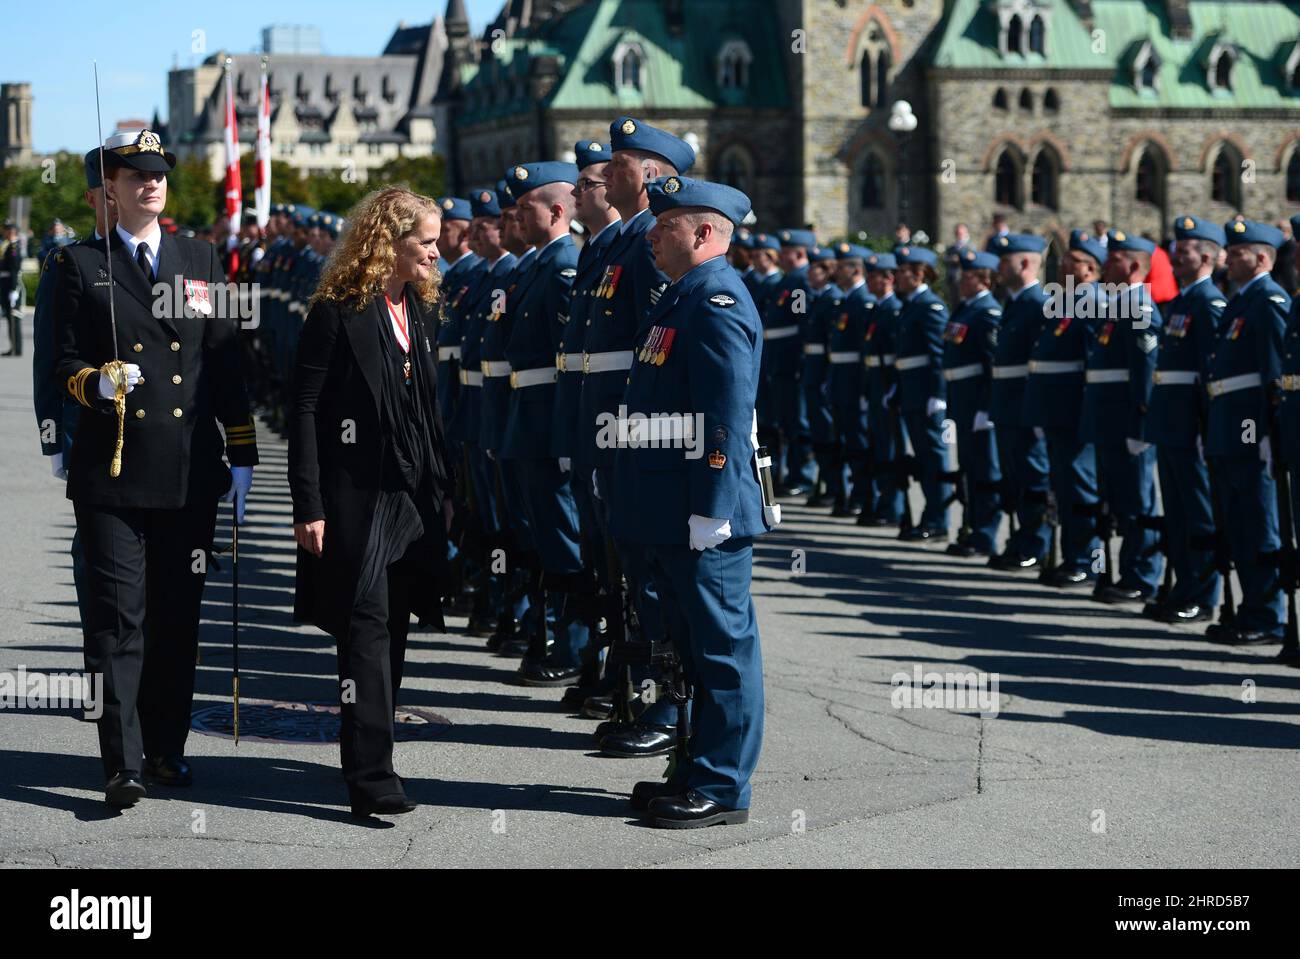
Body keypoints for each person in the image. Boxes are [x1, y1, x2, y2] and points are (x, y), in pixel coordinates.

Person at [52, 129, 258, 807]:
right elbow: (61, 363)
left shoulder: (200, 259)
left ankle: (166, 746)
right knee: (118, 618)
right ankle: (122, 760)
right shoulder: (79, 263)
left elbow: (227, 362)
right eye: (134, 172)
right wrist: (95, 384)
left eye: (158, 171)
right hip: (113, 472)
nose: (150, 181)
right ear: (107, 187)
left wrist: (243, 454)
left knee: (177, 615)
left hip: (188, 470)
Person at [289, 188, 455, 818]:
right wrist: (309, 504)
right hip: (356, 500)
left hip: (413, 499)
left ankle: (372, 749)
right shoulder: (336, 312)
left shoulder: (423, 310)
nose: (437, 254)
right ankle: (370, 775)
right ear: (390, 242)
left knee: (394, 633)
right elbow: (304, 408)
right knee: (362, 633)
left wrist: (445, 490)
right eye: (427, 242)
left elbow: (430, 410)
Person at [612, 174, 768, 827]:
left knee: (722, 650)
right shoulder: (683, 295)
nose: (651, 233)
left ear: (702, 233)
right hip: (669, 507)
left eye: (665, 223)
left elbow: (724, 415)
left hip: (703, 512)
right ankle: (694, 763)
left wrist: (713, 504)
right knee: (691, 649)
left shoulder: (717, 300)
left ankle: (724, 784)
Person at [498, 161, 594, 687]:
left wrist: (565, 434)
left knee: (563, 539)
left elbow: (568, 362)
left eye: (526, 207)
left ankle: (573, 644)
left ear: (556, 211)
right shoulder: (537, 265)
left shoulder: (563, 267)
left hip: (547, 422)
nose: (516, 215)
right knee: (537, 535)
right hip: (525, 418)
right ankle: (551, 633)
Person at [33, 148, 114, 628]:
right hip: (89, 431)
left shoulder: (171, 262)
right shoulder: (67, 263)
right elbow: (49, 360)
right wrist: (53, 442)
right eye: (108, 193)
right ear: (92, 198)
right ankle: (103, 679)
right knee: (95, 562)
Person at [1204, 219, 1289, 648]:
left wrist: (1265, 434)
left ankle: (1267, 615)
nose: (1227, 258)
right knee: (1238, 522)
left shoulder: (1268, 300)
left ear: (1260, 258)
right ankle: (1250, 608)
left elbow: (1273, 374)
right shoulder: (1239, 301)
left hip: (1249, 424)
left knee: (1258, 520)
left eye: (1236, 253)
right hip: (1229, 422)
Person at [1143, 216, 1226, 622]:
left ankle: (1204, 593)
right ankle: (1182, 586)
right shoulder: (1180, 302)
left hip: (1191, 425)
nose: (1176, 254)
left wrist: (1205, 426)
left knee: (1198, 512)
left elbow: (1211, 372)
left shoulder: (1209, 303)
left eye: (1186, 249)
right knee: (1176, 510)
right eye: (1176, 248)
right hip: (1171, 423)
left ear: (1207, 256)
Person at [1084, 230, 1162, 605]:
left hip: (1129, 424)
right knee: (1119, 503)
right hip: (1109, 421)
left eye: (1112, 260)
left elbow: (1145, 372)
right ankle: (1126, 571)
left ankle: (1142, 576)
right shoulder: (1115, 308)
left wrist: (1141, 426)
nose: (1104, 266)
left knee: (1138, 503)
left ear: (1132, 267)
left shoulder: (1140, 308)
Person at [1024, 229, 1102, 587]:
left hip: (1075, 412)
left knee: (1081, 488)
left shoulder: (1094, 302)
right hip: (1056, 412)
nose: (1061, 266)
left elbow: (1091, 364)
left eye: (1069, 261)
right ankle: (1073, 556)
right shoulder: (1067, 303)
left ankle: (1089, 561)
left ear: (1089, 269)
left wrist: (1088, 414)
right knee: (1063, 487)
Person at [988, 233, 1052, 569]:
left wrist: (1038, 413)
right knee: (1016, 477)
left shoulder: (1038, 304)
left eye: (1004, 261)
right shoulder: (1014, 303)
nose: (998, 268)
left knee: (1033, 478)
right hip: (1009, 406)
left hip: (1025, 408)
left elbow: (1038, 365)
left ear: (1025, 263)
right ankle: (1023, 539)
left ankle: (1035, 544)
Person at [942, 249, 1003, 557]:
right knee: (968, 469)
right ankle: (970, 527)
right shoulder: (964, 309)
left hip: (977, 403)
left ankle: (986, 534)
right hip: (961, 401)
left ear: (983, 280)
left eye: (966, 277)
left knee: (985, 471)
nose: (959, 281)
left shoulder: (987, 313)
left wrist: (986, 407)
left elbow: (992, 364)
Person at [891, 244, 951, 540]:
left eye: (902, 272)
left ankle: (938, 520)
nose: (896, 277)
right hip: (912, 393)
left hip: (926, 395)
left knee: (934, 458)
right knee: (923, 458)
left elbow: (938, 355)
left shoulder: (931, 306)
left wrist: (937, 394)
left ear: (918, 275)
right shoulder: (912, 305)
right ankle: (930, 516)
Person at [860, 251, 905, 525]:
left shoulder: (893, 308)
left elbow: (897, 355)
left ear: (889, 278)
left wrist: (894, 387)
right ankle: (882, 501)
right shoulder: (877, 308)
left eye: (874, 276)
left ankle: (892, 505)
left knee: (890, 448)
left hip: (888, 383)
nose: (868, 281)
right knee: (878, 446)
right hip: (875, 383)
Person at [1, 222, 21, 356]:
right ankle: (13, 346)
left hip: (11, 285)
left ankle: (16, 348)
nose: (5, 232)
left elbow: (14, 269)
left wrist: (13, 289)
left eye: (8, 230)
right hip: (5, 284)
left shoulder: (14, 246)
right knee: (9, 317)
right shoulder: (7, 245)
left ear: (13, 232)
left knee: (14, 317)